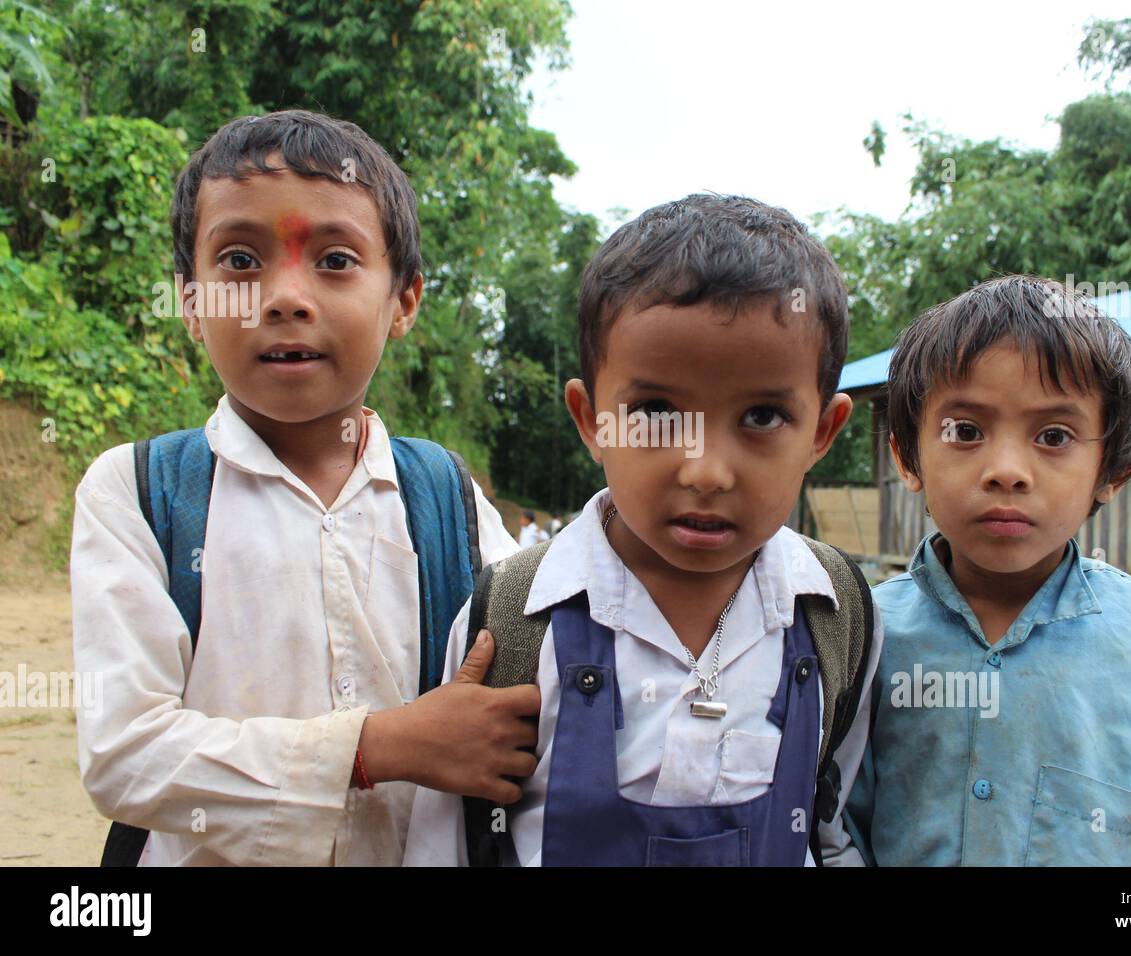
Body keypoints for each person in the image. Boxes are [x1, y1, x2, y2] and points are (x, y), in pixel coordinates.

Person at [71, 110, 539, 866]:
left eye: (335, 260)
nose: (285, 296)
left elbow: (534, 667)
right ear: (191, 303)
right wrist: (373, 748)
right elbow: (126, 754)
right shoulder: (139, 494)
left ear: (405, 302)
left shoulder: (447, 498)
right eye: (241, 262)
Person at [403, 194, 881, 867]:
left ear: (823, 432)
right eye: (656, 411)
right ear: (591, 419)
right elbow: (441, 846)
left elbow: (833, 831)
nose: (707, 471)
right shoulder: (510, 623)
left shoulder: (839, 615)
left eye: (763, 417)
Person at [848, 274, 1131, 866]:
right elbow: (825, 833)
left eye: (1055, 435)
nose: (1006, 470)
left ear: (1113, 470)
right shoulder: (859, 642)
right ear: (907, 454)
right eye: (965, 431)